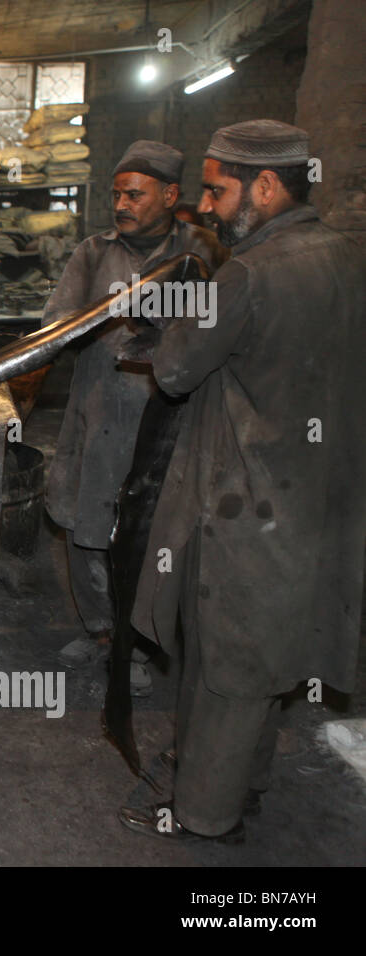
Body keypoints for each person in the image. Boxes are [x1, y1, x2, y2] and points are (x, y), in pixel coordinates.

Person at [121, 120, 366, 842]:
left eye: (216, 189)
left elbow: (175, 370)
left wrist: (172, 326)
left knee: (227, 661)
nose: (207, 206)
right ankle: (247, 779)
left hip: (248, 498)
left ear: (266, 185)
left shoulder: (249, 274)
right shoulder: (351, 258)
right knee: (271, 647)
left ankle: (204, 816)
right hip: (325, 501)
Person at [44, 141, 225, 691]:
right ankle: (99, 629)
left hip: (167, 418)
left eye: (134, 194)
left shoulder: (203, 252)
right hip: (98, 409)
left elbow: (223, 324)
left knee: (151, 532)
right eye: (117, 193)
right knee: (86, 525)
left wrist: (168, 332)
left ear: (170, 195)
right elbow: (56, 321)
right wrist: (101, 319)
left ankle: (140, 647)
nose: (121, 203)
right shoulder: (94, 253)